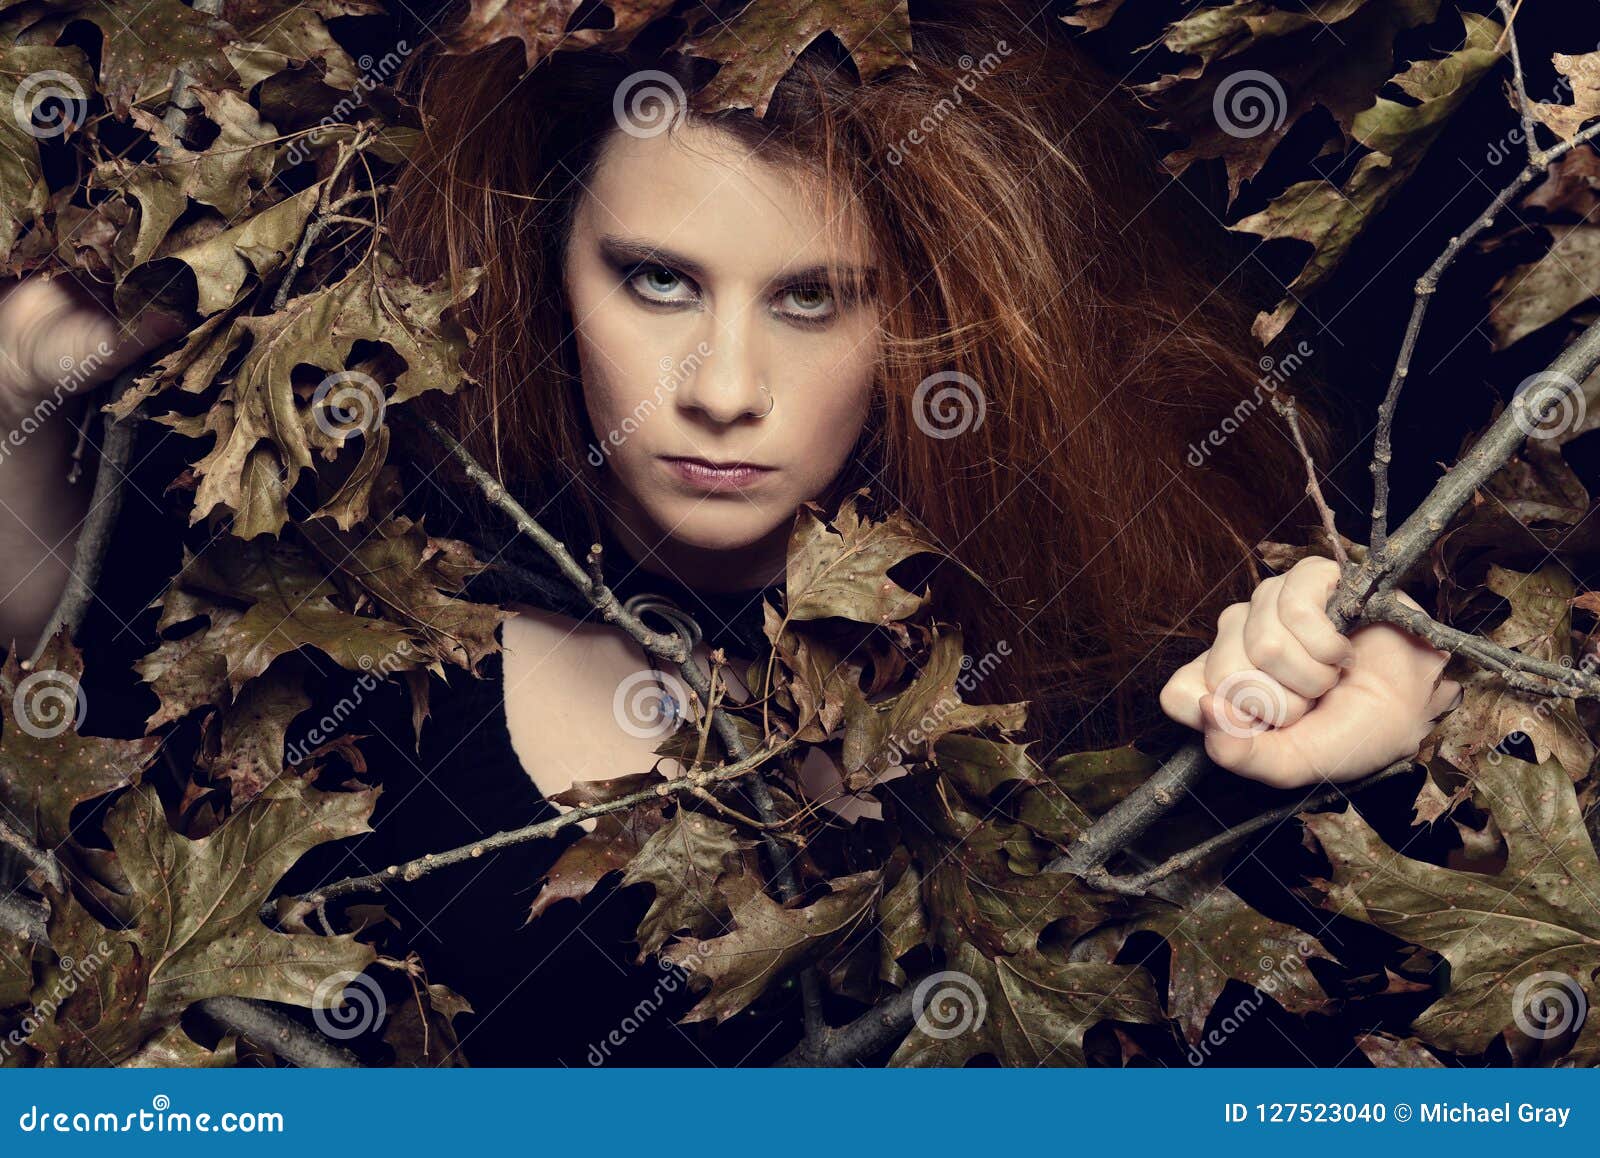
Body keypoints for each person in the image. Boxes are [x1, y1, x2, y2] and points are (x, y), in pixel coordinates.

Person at [0, 0, 1460, 1063]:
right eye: (654, 280)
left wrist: (1368, 756)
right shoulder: (353, 615)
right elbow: (48, 650)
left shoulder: (1092, 665)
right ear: (539, 263)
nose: (723, 392)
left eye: (813, 298)